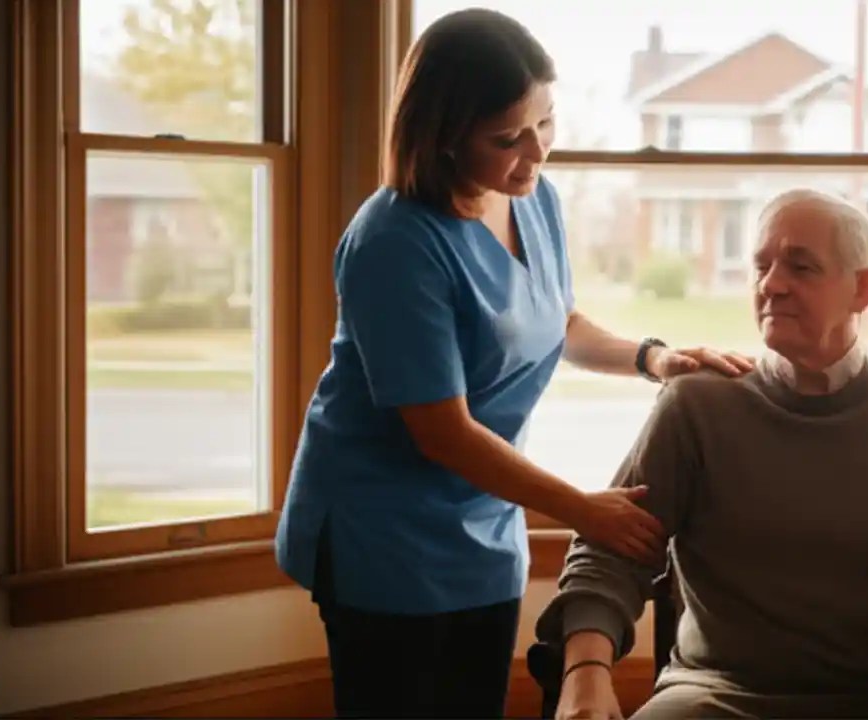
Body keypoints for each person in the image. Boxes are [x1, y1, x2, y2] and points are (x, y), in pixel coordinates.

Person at [273, 9, 753, 719]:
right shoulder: (393, 243)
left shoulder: (531, 198)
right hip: (383, 531)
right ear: (443, 136)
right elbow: (442, 433)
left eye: (545, 123)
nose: (536, 153)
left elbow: (553, 319)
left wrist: (654, 359)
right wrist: (583, 510)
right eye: (507, 138)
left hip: (484, 521)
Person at [535, 189, 868, 720]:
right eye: (761, 266)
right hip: (711, 695)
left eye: (801, 266)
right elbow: (609, 551)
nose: (771, 284)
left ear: (863, 288)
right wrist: (586, 671)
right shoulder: (697, 404)